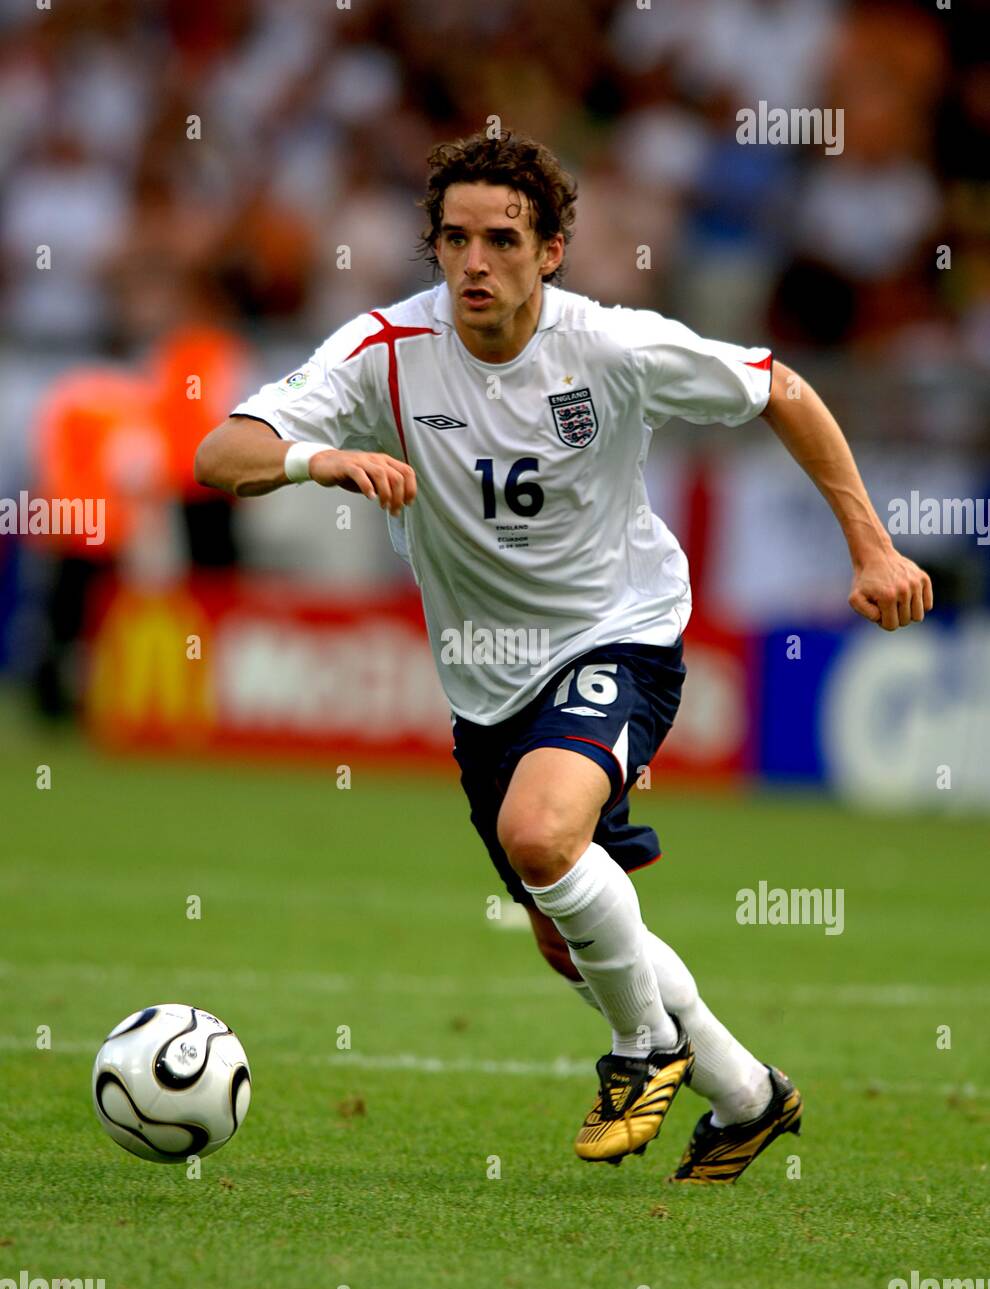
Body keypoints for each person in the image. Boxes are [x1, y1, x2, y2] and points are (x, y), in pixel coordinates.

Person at [195, 131, 933, 1184]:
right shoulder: (386, 350)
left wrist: (871, 543)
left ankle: (646, 1053)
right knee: (567, 928)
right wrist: (324, 458)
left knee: (540, 834)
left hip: (619, 631)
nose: (475, 263)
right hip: (485, 681)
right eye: (454, 239)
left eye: (503, 239)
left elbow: (780, 387)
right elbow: (219, 454)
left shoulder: (611, 345)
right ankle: (749, 1097)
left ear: (551, 250)